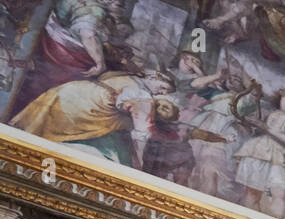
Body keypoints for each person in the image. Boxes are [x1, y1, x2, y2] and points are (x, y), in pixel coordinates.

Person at [11, 70, 177, 168]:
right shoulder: (143, 96)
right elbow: (141, 129)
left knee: (37, 128)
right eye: (162, 88)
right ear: (153, 78)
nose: (161, 93)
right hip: (88, 108)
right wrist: (138, 161)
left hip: (69, 91)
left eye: (164, 93)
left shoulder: (126, 76)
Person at [233, 89, 285, 219]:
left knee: (278, 194)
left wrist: (266, 129)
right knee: (252, 192)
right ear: (284, 95)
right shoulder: (271, 114)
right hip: (257, 151)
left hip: (281, 157)